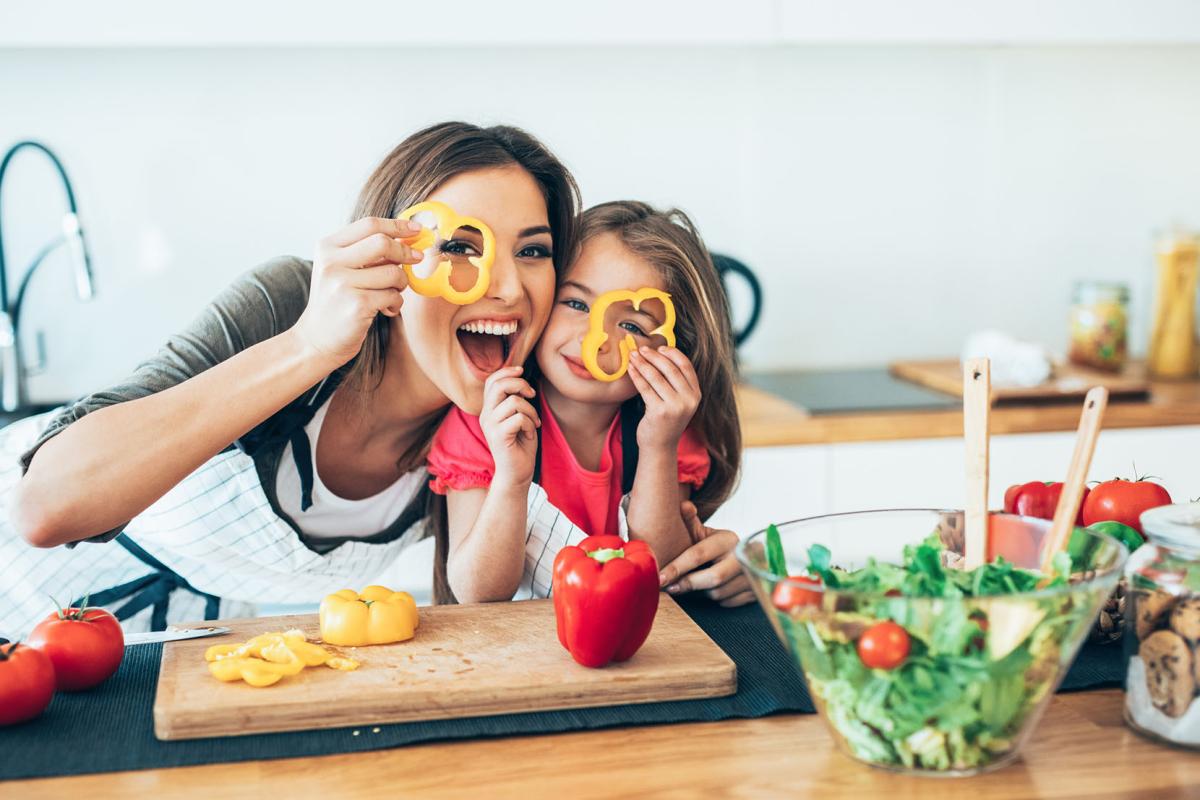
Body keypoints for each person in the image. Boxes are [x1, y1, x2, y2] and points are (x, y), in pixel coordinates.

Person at [0, 124, 750, 635]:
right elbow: (45, 507)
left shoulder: (497, 427)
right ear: (392, 256)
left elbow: (575, 559)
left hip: (140, 660)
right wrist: (309, 347)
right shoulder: (292, 306)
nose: (505, 288)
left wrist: (709, 565)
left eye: (534, 251)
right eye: (460, 245)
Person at [428, 201, 747, 605]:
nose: (593, 339)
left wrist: (658, 445)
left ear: (674, 348)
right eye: (577, 304)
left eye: (630, 325)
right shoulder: (487, 420)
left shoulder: (668, 428)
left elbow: (666, 571)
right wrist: (511, 478)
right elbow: (478, 592)